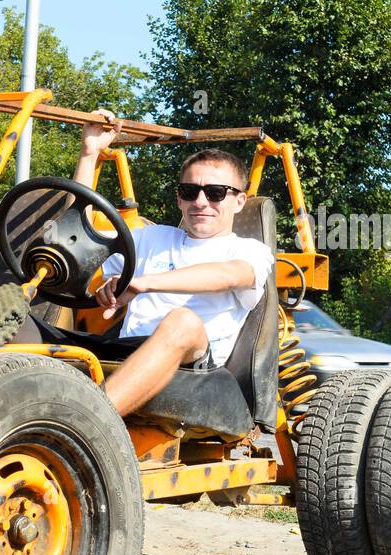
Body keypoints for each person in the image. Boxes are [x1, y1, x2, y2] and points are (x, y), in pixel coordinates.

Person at [14, 109, 275, 417]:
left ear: (239, 201)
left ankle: (86, 423)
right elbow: (74, 232)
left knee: (182, 320)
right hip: (125, 349)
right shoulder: (149, 238)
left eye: (215, 193)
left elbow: (230, 275)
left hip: (196, 364)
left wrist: (142, 283)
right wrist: (89, 153)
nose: (201, 202)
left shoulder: (248, 250)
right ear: (179, 199)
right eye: (190, 192)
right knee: (10, 314)